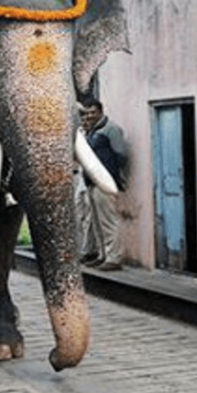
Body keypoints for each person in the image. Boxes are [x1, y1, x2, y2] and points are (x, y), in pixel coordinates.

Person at [78, 98, 129, 271]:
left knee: (108, 222)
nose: (90, 115)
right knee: (96, 223)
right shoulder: (90, 132)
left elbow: (121, 155)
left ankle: (114, 258)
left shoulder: (111, 129)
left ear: (101, 111)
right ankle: (102, 256)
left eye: (93, 112)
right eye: (87, 113)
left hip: (106, 184)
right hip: (92, 183)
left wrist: (111, 176)